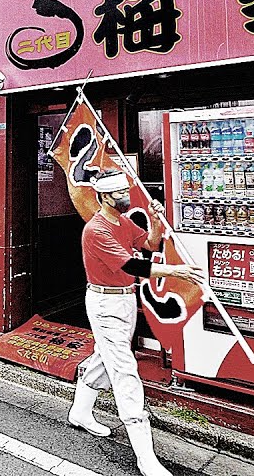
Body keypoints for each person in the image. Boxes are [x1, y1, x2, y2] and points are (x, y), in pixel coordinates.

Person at [68, 169, 204, 476]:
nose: (126, 199)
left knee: (106, 356)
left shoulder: (123, 221)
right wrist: (174, 271)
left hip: (124, 297)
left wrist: (156, 220)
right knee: (124, 369)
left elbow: (149, 246)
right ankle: (145, 455)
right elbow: (132, 264)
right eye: (120, 195)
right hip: (105, 302)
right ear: (104, 197)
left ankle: (80, 411)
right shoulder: (96, 230)